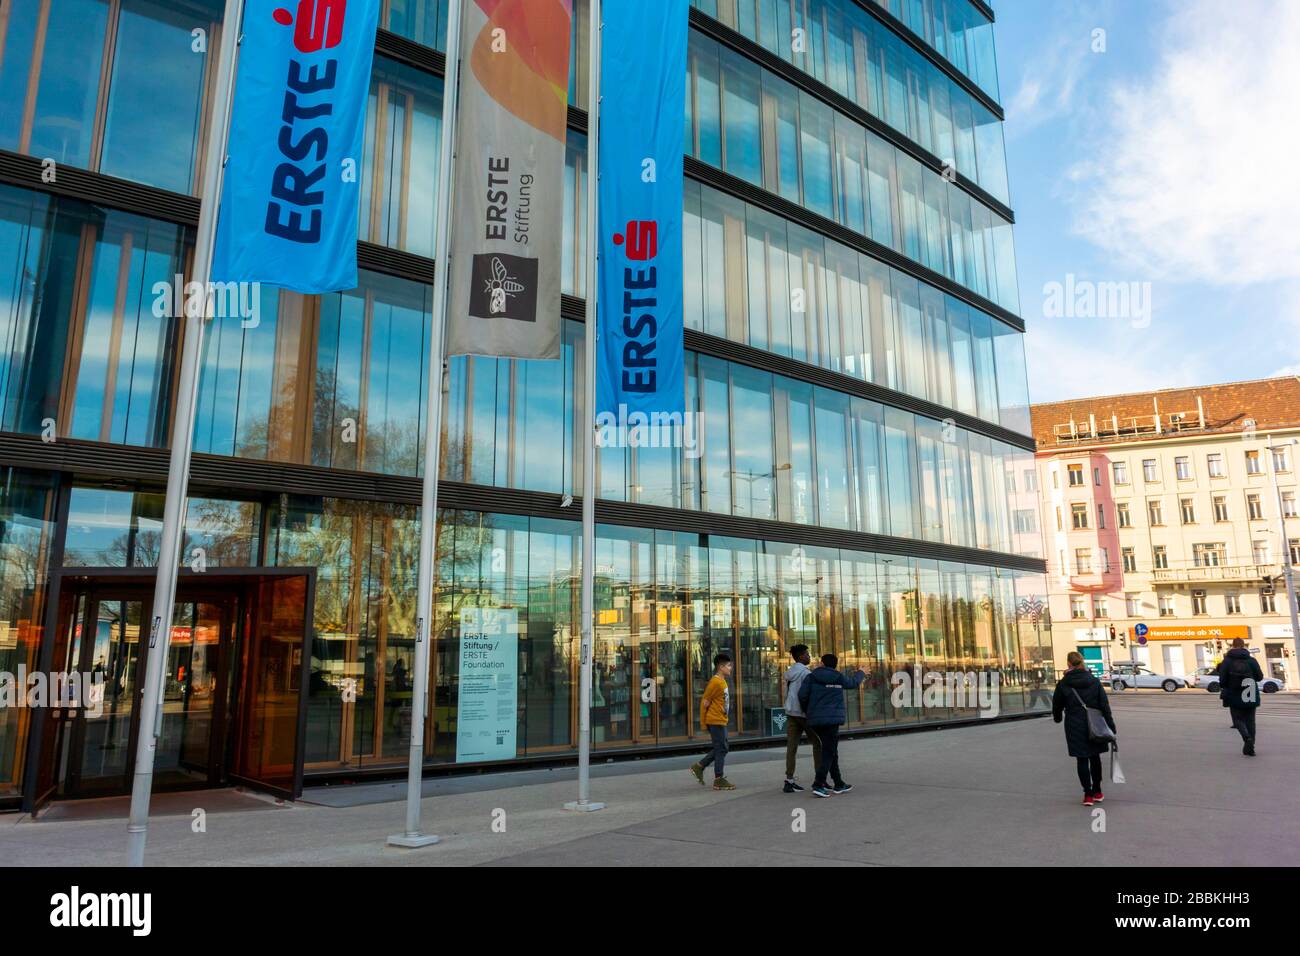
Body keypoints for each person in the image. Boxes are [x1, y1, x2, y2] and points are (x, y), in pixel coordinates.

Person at [797, 653, 867, 797]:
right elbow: (853, 683)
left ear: (822, 663)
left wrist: (809, 710)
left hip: (815, 720)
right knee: (829, 751)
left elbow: (802, 695)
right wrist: (862, 672)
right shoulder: (838, 677)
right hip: (832, 720)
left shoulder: (811, 677)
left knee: (831, 750)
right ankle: (819, 783)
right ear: (835, 665)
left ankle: (838, 782)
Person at [1052, 652, 1116, 806]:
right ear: (1082, 663)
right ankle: (1098, 791)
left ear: (1068, 664)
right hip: (1095, 724)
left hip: (1074, 724)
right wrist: (1111, 726)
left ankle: (1087, 794)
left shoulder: (1063, 683)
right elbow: (1104, 705)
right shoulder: (1094, 681)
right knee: (1095, 757)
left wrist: (1058, 717)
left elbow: (1057, 704)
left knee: (1082, 759)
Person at [689, 653, 735, 790]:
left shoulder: (722, 681)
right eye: (728, 665)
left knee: (723, 747)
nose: (730, 668)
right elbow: (705, 703)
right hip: (715, 721)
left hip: (721, 720)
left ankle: (699, 767)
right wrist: (704, 723)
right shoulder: (715, 682)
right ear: (721, 667)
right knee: (721, 749)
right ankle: (718, 779)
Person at [781, 644, 823, 792]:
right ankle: (820, 779)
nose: (809, 656)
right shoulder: (806, 673)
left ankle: (789, 779)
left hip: (791, 712)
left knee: (791, 747)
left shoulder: (790, 672)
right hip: (803, 714)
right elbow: (806, 695)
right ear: (800, 657)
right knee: (818, 743)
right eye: (807, 654)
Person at [1216, 638, 1263, 755]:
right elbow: (1259, 677)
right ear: (1243, 645)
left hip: (1234, 691)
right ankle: (1251, 747)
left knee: (1237, 719)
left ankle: (1247, 738)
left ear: (1232, 646)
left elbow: (1222, 680)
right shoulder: (1251, 660)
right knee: (1251, 721)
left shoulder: (1227, 661)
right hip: (1250, 690)